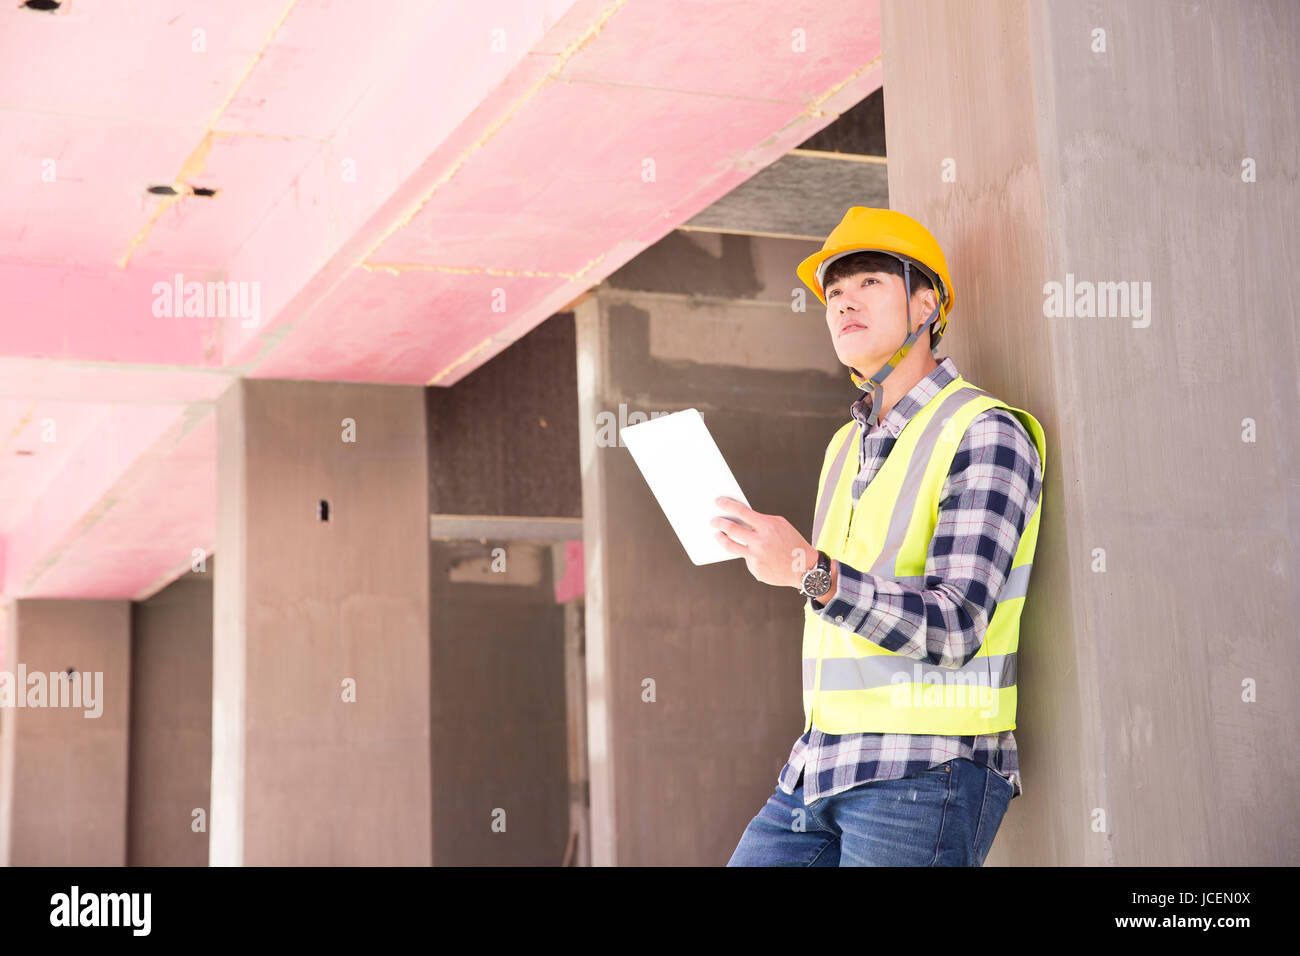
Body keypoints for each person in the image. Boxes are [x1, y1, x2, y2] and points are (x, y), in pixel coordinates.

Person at [712, 207, 1046, 866]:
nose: (842, 302)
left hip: (924, 773)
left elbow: (954, 626)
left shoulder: (984, 432)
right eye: (833, 293)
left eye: (867, 282)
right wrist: (781, 561)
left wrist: (810, 571)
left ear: (927, 305)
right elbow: (847, 601)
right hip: (818, 766)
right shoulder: (845, 446)